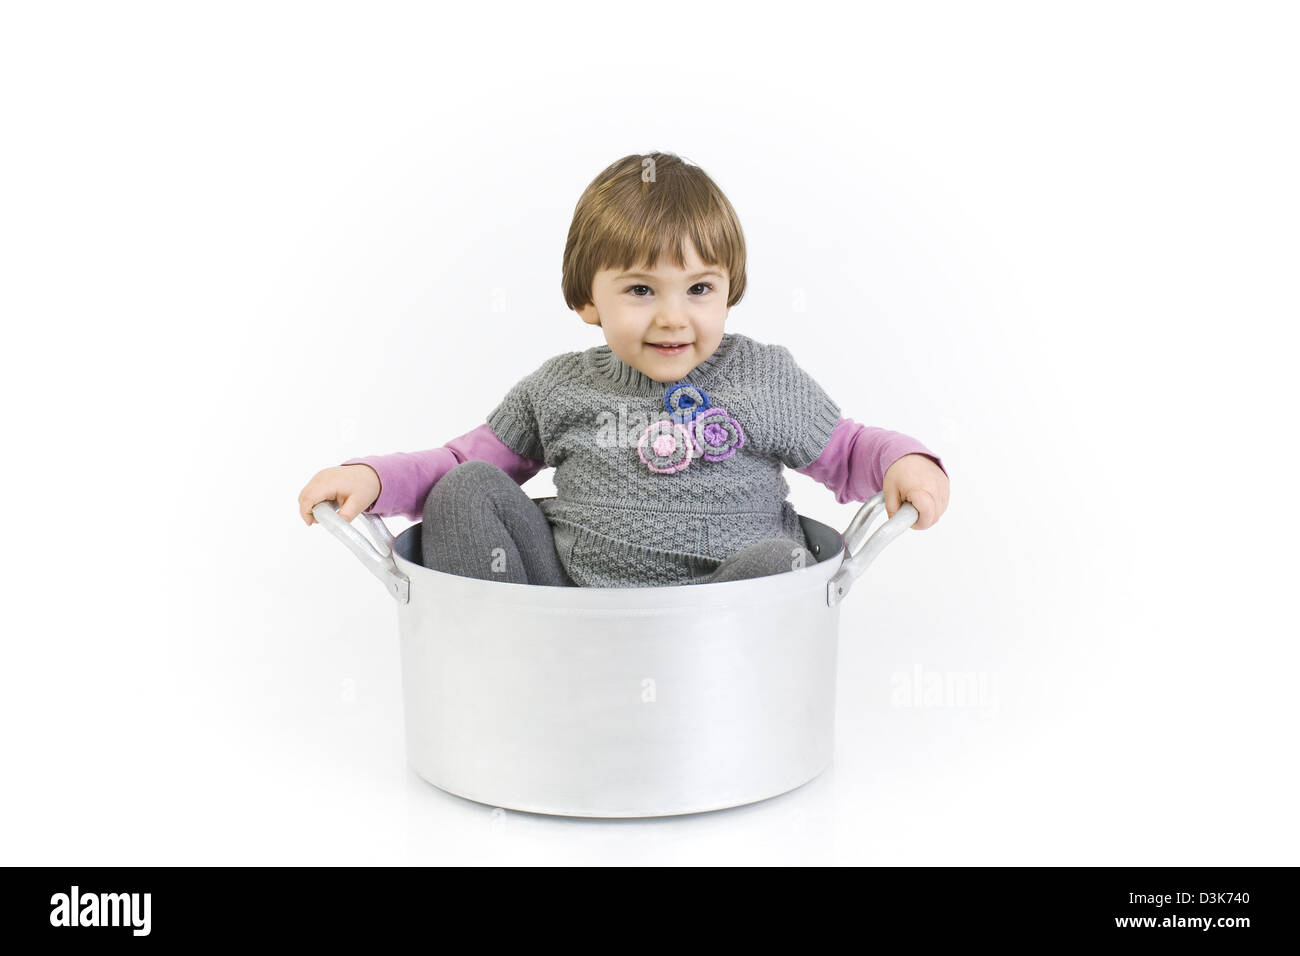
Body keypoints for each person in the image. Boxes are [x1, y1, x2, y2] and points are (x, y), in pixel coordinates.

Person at [298, 152, 950, 587]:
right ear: (587, 300)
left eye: (699, 289)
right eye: (641, 291)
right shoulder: (559, 388)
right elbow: (453, 461)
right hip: (570, 614)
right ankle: (513, 669)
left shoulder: (765, 379)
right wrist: (373, 479)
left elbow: (850, 449)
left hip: (718, 621)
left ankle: (716, 707)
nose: (672, 318)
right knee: (465, 488)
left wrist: (905, 463)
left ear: (730, 291)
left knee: (783, 564)